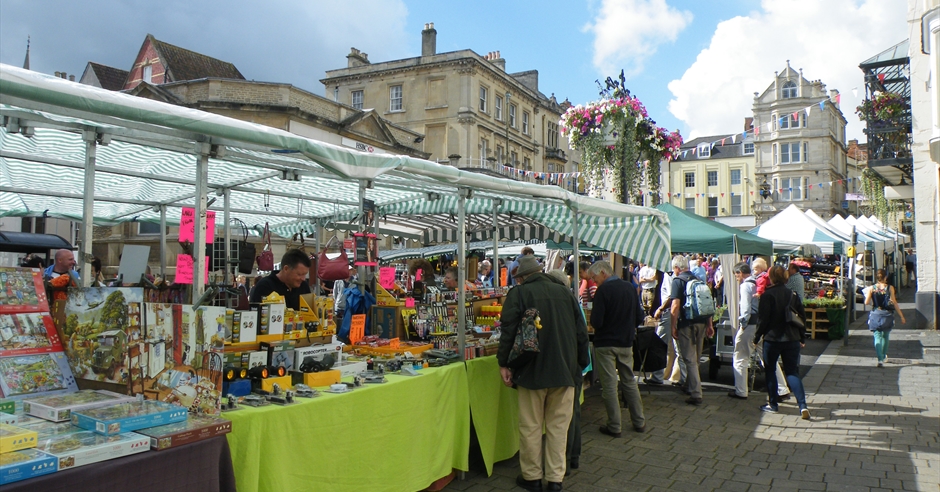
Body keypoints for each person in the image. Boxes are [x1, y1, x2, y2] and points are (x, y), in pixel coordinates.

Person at [497, 256, 589, 492]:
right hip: (564, 370)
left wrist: (504, 363)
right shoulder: (565, 293)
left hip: (531, 370)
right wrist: (580, 364)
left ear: (521, 278)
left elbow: (508, 331)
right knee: (559, 427)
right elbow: (581, 332)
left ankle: (532, 477)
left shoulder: (519, 294)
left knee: (531, 426)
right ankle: (556, 479)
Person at [588, 260, 646, 437]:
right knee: (629, 382)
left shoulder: (603, 291)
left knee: (609, 386)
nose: (593, 281)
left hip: (606, 343)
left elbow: (596, 321)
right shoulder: (629, 287)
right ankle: (639, 421)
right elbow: (639, 316)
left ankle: (614, 425)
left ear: (603, 272)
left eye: (594, 277)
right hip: (626, 342)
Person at [754, 265, 810, 419]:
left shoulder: (767, 295)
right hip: (792, 338)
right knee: (792, 372)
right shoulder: (792, 294)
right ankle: (803, 405)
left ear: (771, 277)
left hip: (773, 338)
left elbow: (763, 320)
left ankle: (773, 404)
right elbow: (802, 317)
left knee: (770, 371)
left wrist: (756, 337)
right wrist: (802, 337)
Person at [669, 255, 714, 406]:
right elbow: (707, 303)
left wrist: (673, 326)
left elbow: (675, 306)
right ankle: (689, 385)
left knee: (689, 358)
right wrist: (709, 325)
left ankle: (696, 393)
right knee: (696, 357)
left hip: (686, 323)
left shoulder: (678, 281)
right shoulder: (698, 279)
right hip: (701, 322)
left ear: (677, 268)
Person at [865, 269, 906, 367]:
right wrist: (901, 316)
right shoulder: (890, 288)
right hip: (887, 314)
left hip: (876, 313)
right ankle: (883, 356)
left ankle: (880, 359)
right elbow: (894, 302)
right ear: (886, 277)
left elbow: (866, 302)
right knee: (885, 336)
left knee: (877, 336)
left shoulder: (871, 288)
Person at [653, 268, 684, 386]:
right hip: (677, 312)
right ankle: (682, 378)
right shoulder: (678, 275)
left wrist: (660, 309)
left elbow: (671, 296)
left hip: (669, 312)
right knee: (678, 346)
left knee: (660, 343)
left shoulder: (668, 275)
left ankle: (657, 376)